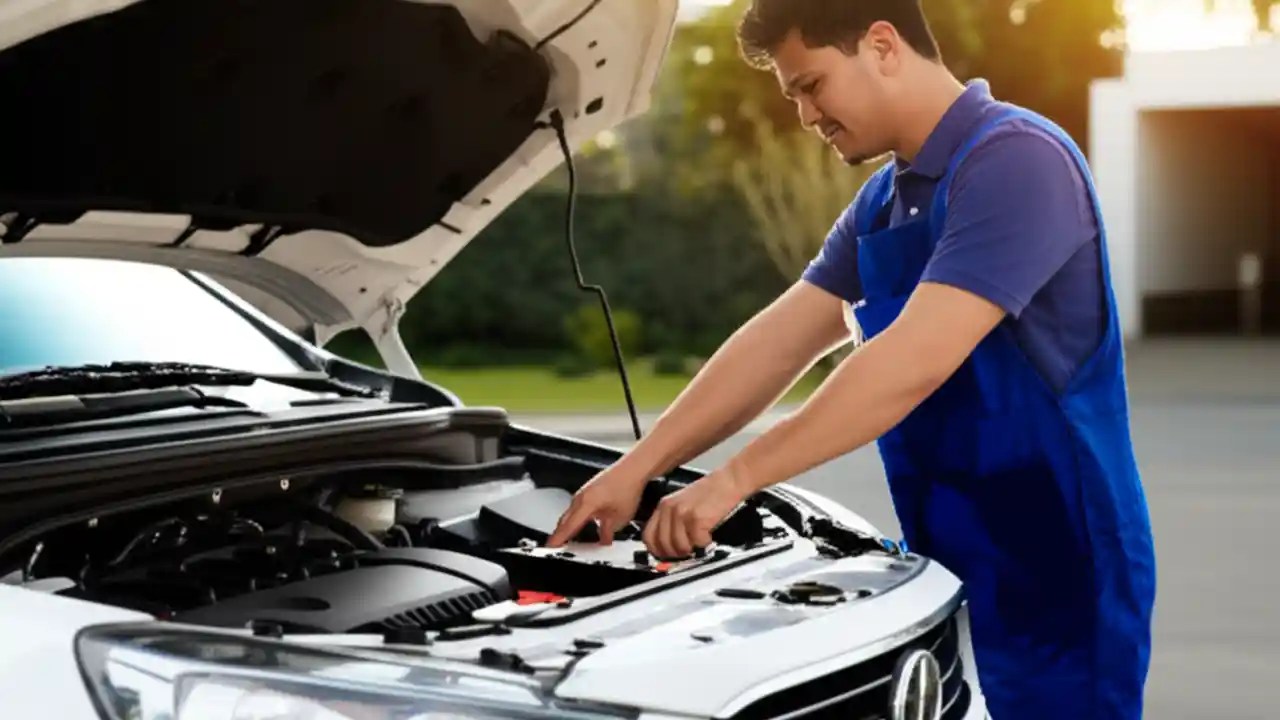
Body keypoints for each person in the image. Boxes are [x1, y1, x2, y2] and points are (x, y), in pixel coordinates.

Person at [547, 0, 1157, 717]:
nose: (806, 116)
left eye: (811, 85)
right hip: (949, 563)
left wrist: (734, 479)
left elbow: (910, 363)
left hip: (1058, 572)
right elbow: (777, 343)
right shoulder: (884, 200)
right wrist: (637, 467)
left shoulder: (1019, 161)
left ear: (882, 44)